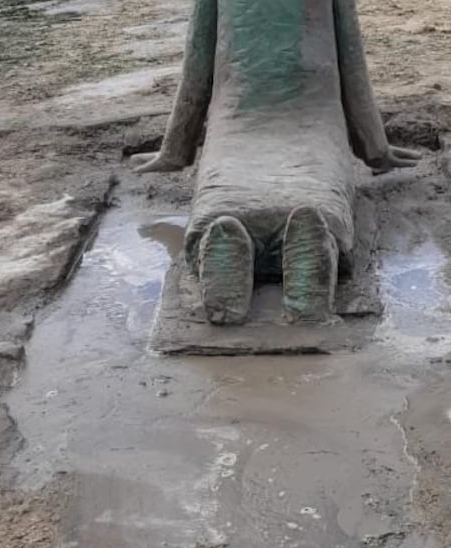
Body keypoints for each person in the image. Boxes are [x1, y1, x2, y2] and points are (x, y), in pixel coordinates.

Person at [134, 0, 420, 324]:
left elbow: (196, 71)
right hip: (312, 117)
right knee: (320, 193)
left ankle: (225, 233)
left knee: (222, 192)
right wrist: (375, 148)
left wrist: (175, 151)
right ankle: (310, 242)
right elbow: (352, 66)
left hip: (239, 118)